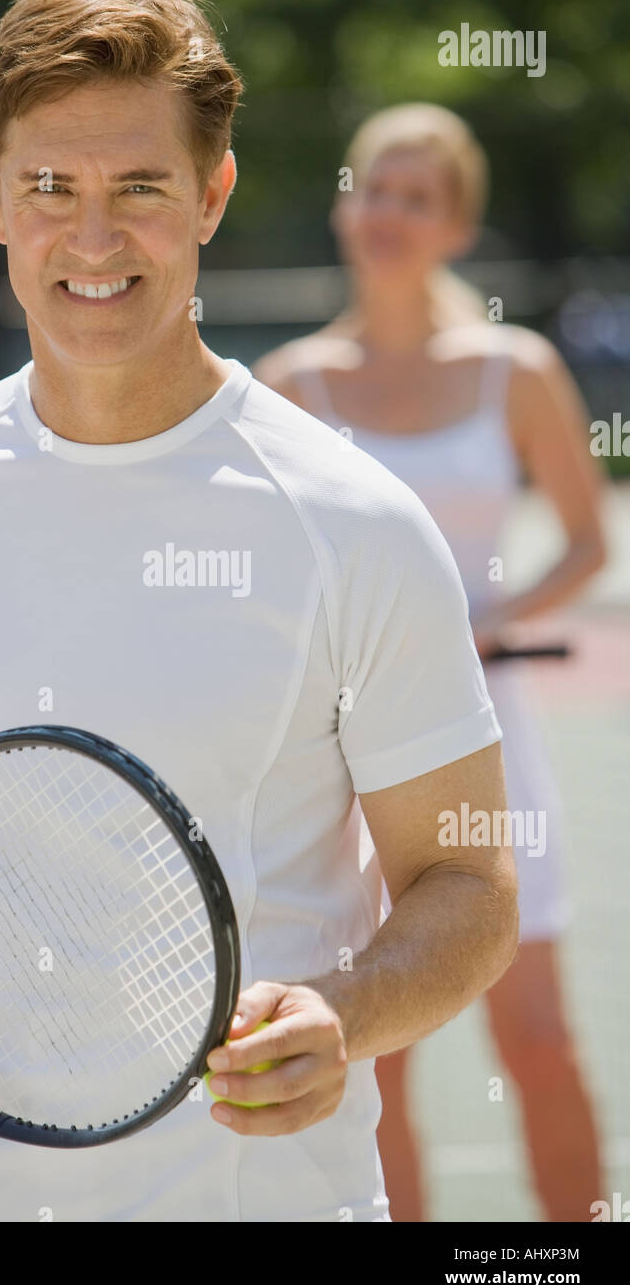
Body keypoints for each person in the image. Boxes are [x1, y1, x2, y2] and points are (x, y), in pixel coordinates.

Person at [0, 0, 516, 1224]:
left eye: (141, 189)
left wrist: (348, 1010)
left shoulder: (351, 519)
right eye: (51, 188)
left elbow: (468, 879)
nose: (93, 237)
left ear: (211, 196)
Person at [253, 102, 606, 1222]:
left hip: (490, 750)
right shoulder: (287, 385)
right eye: (370, 188)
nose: (386, 213)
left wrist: (487, 618)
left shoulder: (514, 366)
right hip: (346, 762)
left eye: (416, 196)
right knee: (376, 1049)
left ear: (456, 224)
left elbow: (588, 538)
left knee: (536, 1037)